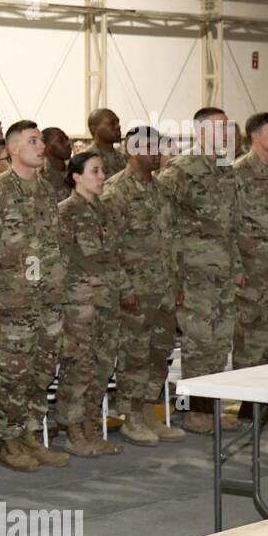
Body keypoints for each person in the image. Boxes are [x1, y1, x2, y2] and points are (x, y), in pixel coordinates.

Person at [0, 121, 68, 471]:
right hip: (11, 301)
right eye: (33, 141)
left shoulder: (48, 190)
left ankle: (31, 434)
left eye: (41, 141)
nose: (41, 146)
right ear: (13, 149)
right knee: (13, 373)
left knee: (42, 370)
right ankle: (10, 441)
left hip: (47, 300)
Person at [158, 107, 242, 435]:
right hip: (193, 273)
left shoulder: (225, 168)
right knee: (198, 343)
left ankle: (212, 406)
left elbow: (231, 224)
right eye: (221, 128)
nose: (227, 133)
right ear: (201, 132)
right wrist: (174, 275)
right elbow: (164, 225)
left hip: (221, 271)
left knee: (219, 344)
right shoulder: (181, 169)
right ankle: (195, 411)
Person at [101, 126, 182, 447]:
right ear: (132, 150)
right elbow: (110, 248)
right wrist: (124, 289)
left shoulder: (161, 190)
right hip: (134, 291)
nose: (158, 152)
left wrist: (176, 282)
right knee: (134, 354)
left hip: (162, 288)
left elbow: (171, 240)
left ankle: (149, 411)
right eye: (151, 146)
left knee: (159, 353)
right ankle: (131, 417)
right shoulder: (116, 192)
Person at [55, 151, 128, 457]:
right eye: (95, 171)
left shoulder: (107, 211)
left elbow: (116, 257)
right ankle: (73, 430)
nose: (102, 177)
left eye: (102, 171)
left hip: (107, 300)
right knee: (78, 367)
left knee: (101, 366)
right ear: (76, 176)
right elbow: (60, 263)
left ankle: (90, 425)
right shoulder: (65, 213)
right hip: (79, 304)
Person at [232, 112, 268, 422]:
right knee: (249, 335)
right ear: (256, 136)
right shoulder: (238, 173)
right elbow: (229, 224)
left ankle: (263, 401)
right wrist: (237, 268)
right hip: (251, 271)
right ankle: (248, 402)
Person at [73, 108, 127, 178]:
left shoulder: (126, 159)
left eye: (118, 122)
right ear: (94, 129)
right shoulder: (83, 161)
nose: (118, 126)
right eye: (112, 123)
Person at [41, 127, 72, 198]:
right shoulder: (42, 178)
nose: (68, 143)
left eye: (67, 139)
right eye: (61, 141)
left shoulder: (77, 171)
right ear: (46, 147)